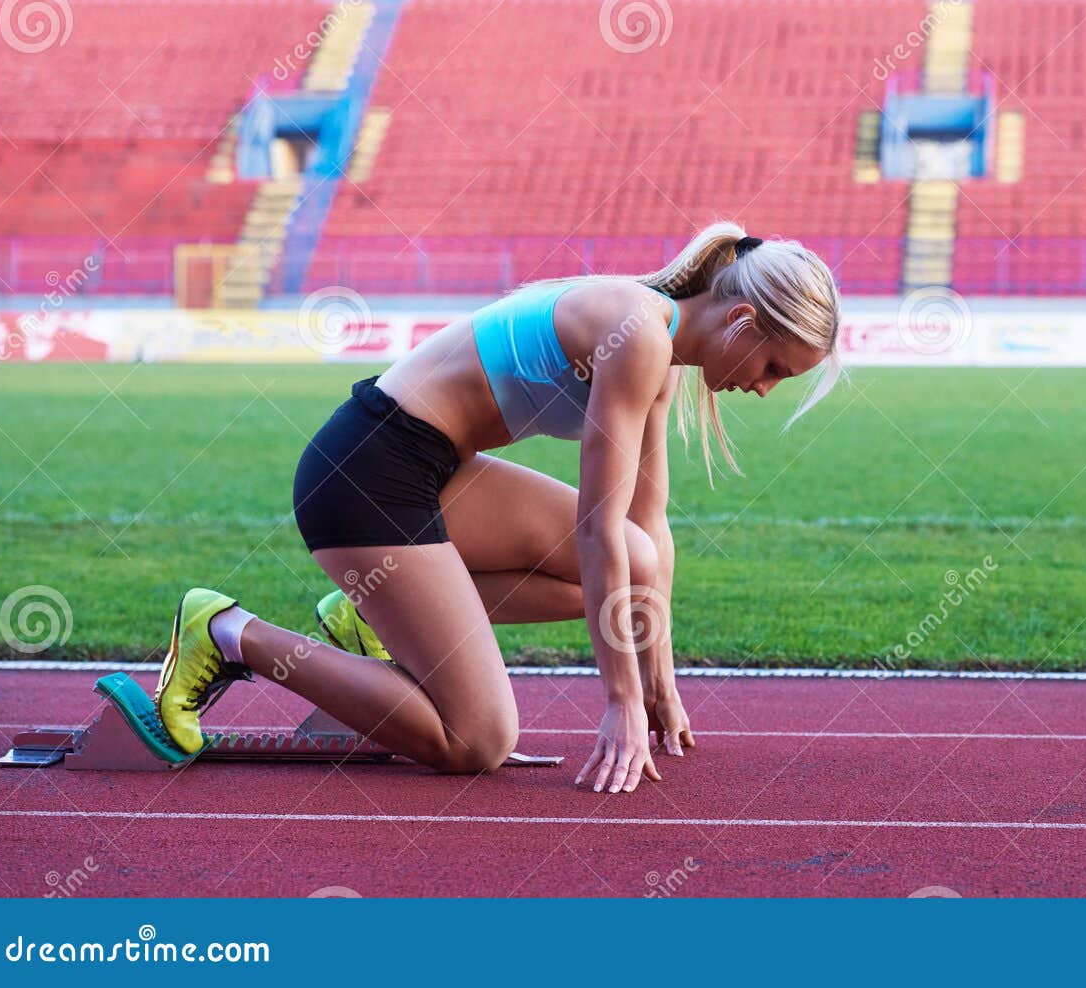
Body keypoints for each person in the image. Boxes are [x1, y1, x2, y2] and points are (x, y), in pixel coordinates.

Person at [153, 223, 842, 794]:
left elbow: (647, 528)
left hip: (433, 470)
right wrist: (620, 701)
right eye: (773, 368)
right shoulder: (638, 335)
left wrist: (659, 685)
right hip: (365, 473)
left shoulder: (657, 350)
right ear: (742, 321)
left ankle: (369, 616)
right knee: (477, 740)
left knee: (639, 557)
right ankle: (228, 632)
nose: (764, 389)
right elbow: (597, 530)